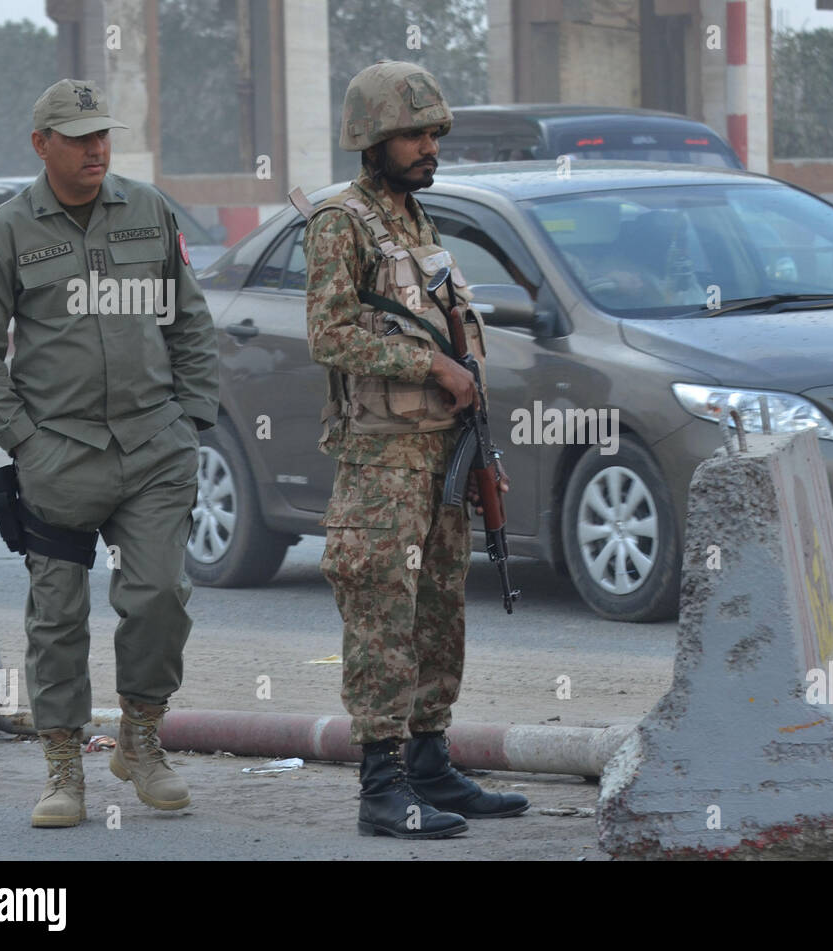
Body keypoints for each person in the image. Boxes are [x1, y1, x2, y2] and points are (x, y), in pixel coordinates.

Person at [0, 79, 219, 827]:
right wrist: (27, 444)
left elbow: (189, 321)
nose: (96, 147)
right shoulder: (5, 232)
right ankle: (63, 765)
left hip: (154, 447)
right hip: (60, 454)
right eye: (77, 137)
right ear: (42, 146)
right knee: (58, 617)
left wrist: (191, 419)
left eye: (101, 134)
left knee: (160, 595)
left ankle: (141, 738)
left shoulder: (149, 210)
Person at [303, 61, 529, 840]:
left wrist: (471, 414)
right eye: (414, 133)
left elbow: (449, 326)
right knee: (382, 620)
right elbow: (329, 333)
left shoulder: (414, 220)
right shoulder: (342, 222)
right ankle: (382, 786)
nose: (430, 146)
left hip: (442, 454)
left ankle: (430, 763)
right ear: (371, 139)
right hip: (381, 461)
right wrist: (430, 366)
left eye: (434, 132)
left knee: (439, 613)